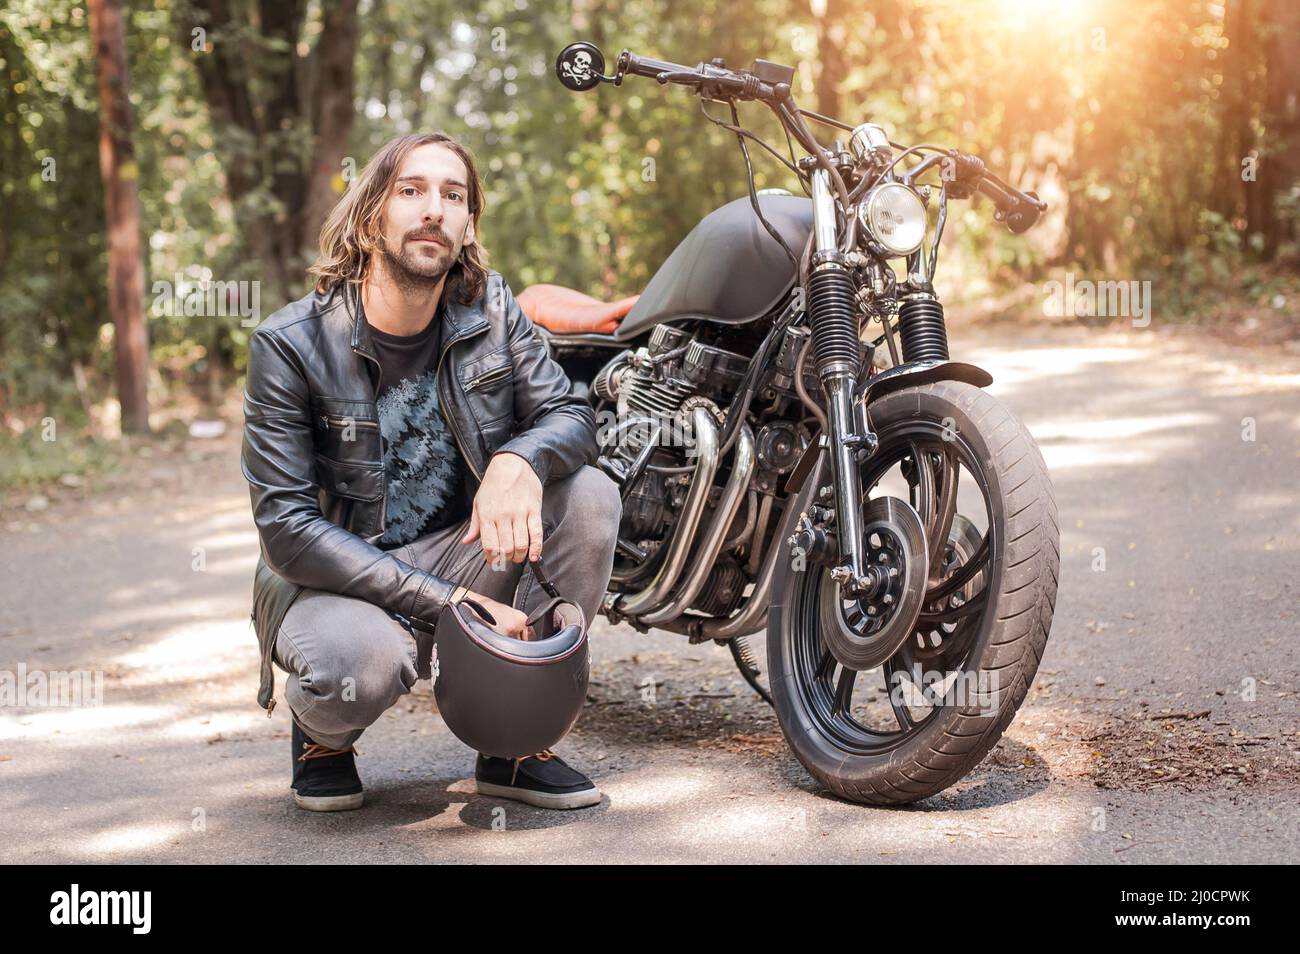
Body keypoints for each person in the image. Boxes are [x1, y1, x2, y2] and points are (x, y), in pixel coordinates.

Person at [240, 132, 622, 812]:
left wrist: (519, 458)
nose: (433, 210)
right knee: (357, 671)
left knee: (589, 495)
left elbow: (573, 417)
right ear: (371, 215)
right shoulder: (291, 344)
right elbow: (287, 529)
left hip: (462, 555)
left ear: (469, 222)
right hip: (338, 581)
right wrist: (447, 603)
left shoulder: (494, 310)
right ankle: (321, 738)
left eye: (454, 196)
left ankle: (514, 741)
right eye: (411, 190)